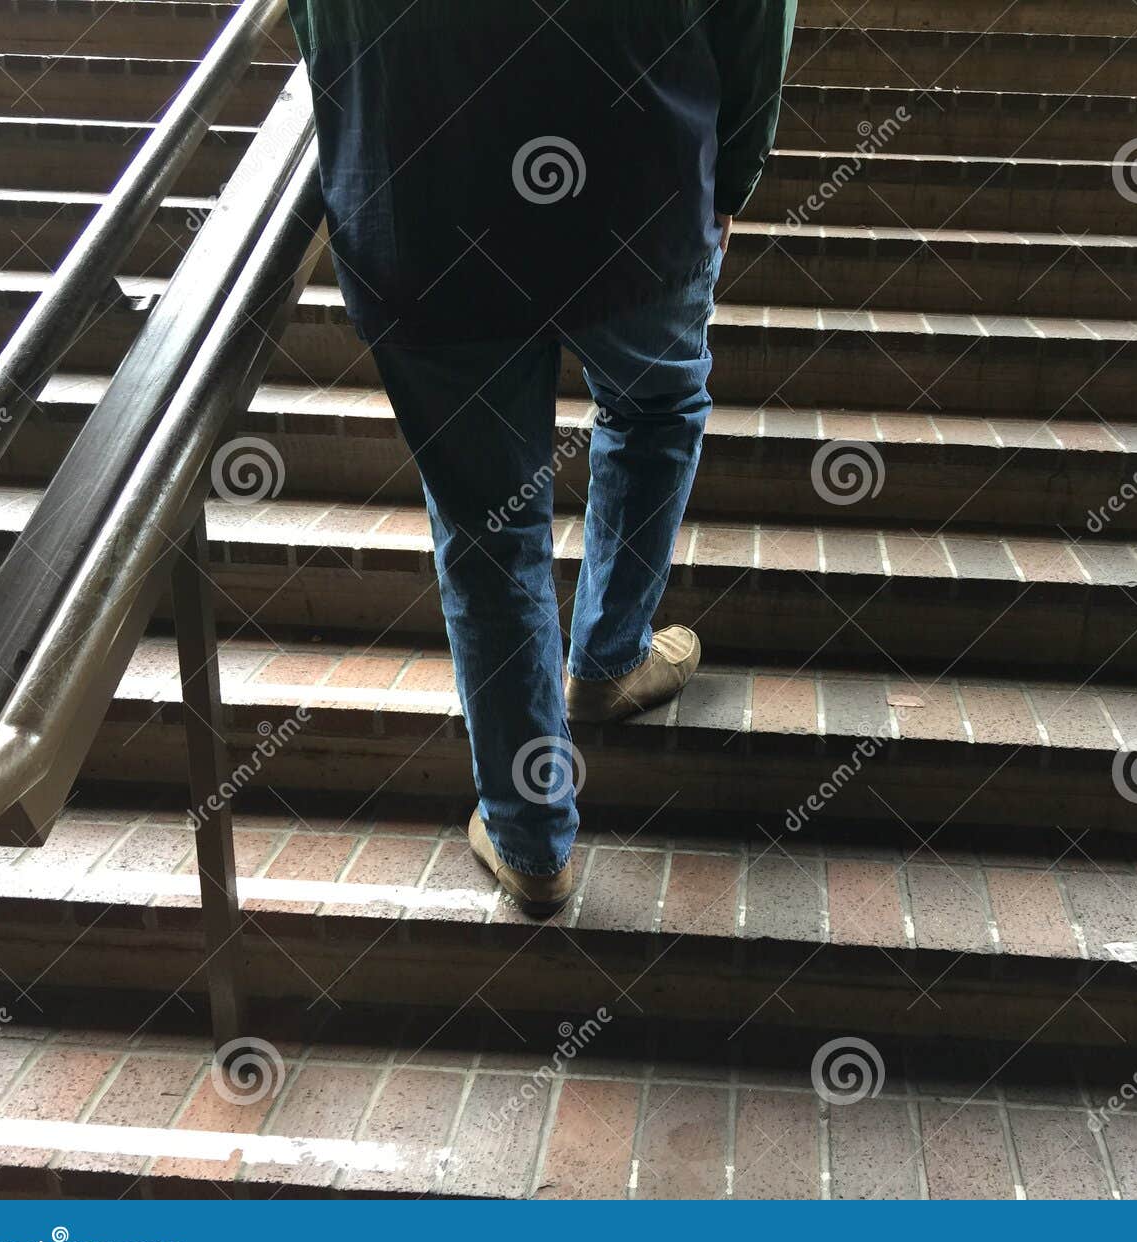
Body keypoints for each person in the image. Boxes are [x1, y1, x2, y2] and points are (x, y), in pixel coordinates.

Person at [290, 1, 797, 915]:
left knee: (489, 531)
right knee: (655, 409)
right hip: (638, 159)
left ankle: (531, 842)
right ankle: (607, 660)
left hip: (418, 180)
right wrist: (733, 172)